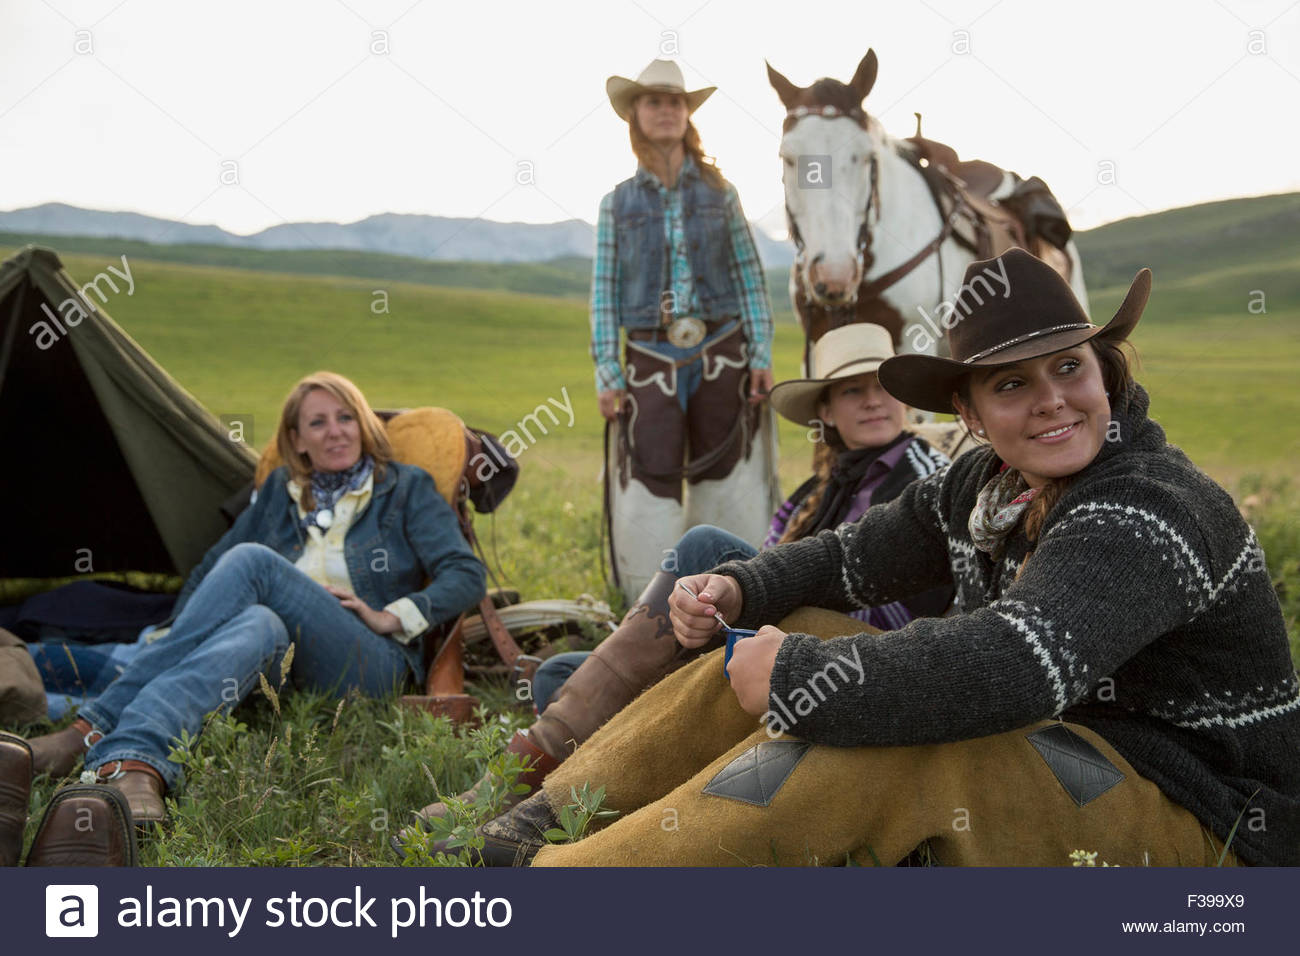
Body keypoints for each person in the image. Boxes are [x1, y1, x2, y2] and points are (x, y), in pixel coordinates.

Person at [463, 249, 1300, 867]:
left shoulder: (1145, 504)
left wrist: (796, 676)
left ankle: (561, 887)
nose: (1052, 400)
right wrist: (743, 586)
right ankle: (536, 821)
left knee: (919, 735)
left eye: (1069, 367)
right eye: (1012, 384)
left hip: (1205, 822)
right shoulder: (982, 481)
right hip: (1064, 756)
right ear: (970, 413)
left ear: (1105, 374)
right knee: (802, 624)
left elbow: (1014, 666)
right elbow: (851, 560)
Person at [399, 324, 952, 848]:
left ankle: (518, 783)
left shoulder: (923, 476)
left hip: (837, 661)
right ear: (826, 410)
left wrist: (743, 597)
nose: (873, 402)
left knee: (707, 548)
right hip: (769, 642)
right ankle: (605, 779)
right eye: (852, 392)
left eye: (881, 388)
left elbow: (900, 614)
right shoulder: (818, 486)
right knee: (558, 675)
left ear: (903, 400)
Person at [5, 371, 486, 835]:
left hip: (365, 661)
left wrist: (389, 616)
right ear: (296, 440)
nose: (336, 432)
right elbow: (213, 567)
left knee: (254, 562)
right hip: (277, 658)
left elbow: (466, 575)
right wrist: (186, 629)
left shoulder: (405, 488)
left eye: (346, 417)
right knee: (259, 620)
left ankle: (89, 729)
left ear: (363, 424)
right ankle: (133, 764)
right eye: (318, 422)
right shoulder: (280, 491)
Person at [594, 58, 778, 602]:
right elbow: (603, 294)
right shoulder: (617, 203)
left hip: (724, 346)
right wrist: (608, 370)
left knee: (726, 471)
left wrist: (761, 352)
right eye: (654, 101)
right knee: (649, 478)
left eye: (674, 101)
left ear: (687, 113)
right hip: (648, 353)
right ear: (636, 115)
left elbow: (749, 275)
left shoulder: (721, 193)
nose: (666, 110)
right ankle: (647, 605)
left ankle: (734, 590)